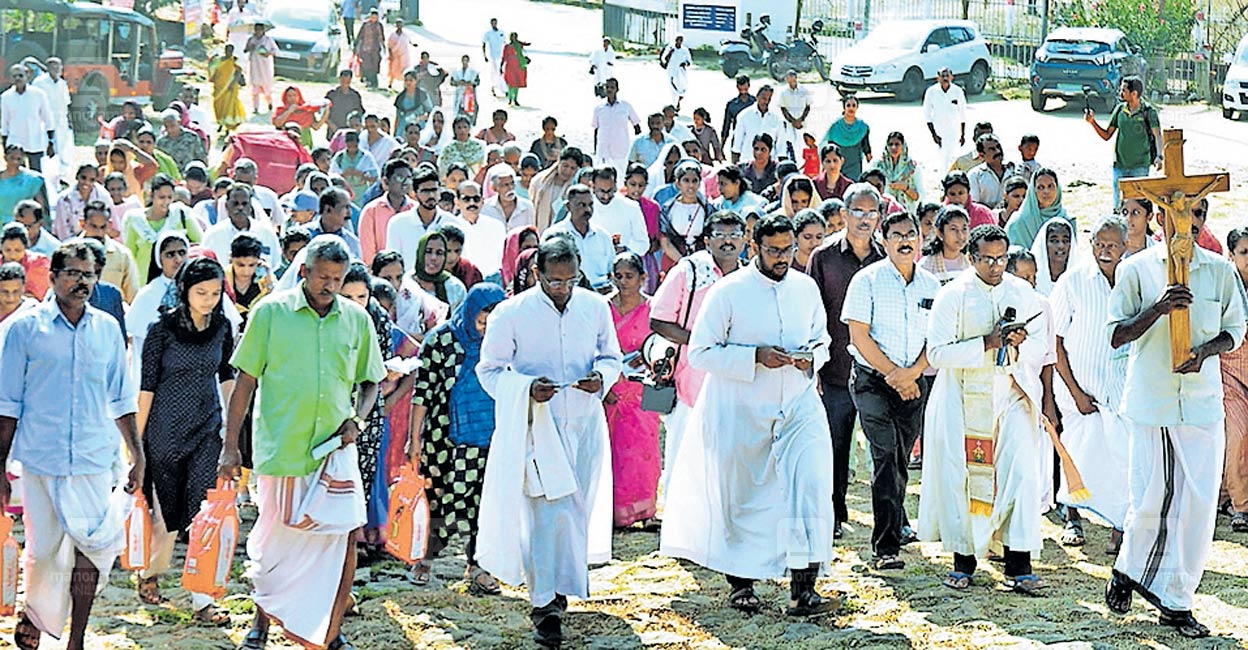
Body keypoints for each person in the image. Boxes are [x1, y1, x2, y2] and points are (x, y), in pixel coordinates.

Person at [662, 213, 837, 616]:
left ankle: (803, 587)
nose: (782, 258)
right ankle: (741, 584)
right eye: (774, 250)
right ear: (754, 247)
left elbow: (822, 340)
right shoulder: (727, 292)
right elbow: (702, 351)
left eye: (788, 250)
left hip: (797, 405)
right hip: (740, 409)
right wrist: (754, 357)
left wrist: (809, 358)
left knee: (808, 486)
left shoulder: (805, 288)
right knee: (742, 495)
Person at [220, 236, 384, 650]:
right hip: (282, 450)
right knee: (277, 546)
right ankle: (261, 623)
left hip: (336, 454)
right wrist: (229, 445)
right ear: (304, 271)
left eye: (337, 278)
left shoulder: (356, 320)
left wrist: (357, 420)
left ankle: (330, 629)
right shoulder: (271, 313)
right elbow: (245, 382)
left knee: (341, 539)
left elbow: (370, 383)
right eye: (323, 276)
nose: (329, 285)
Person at [1103, 206, 1246, 639]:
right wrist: (1158, 309)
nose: (1188, 220)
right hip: (1153, 400)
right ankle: (1129, 570)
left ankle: (1177, 601)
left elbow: (1235, 329)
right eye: (1177, 212)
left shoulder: (1220, 271)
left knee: (1199, 504)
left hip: (1203, 403)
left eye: (1197, 212)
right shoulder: (1136, 269)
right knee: (1151, 498)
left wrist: (1204, 353)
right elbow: (1116, 334)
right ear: (1159, 219)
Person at [0, 240, 142, 650]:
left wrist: (137, 453)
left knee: (93, 550)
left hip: (95, 458)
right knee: (44, 555)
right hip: (42, 460)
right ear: (54, 276)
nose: (82, 282)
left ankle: (76, 638)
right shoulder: (25, 329)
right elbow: (7, 403)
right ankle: (37, 613)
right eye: (74, 273)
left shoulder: (107, 328)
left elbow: (121, 397)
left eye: (89, 275)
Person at [921, 224, 1050, 595]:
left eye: (1001, 258)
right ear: (971, 258)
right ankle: (964, 560)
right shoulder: (953, 295)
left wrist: (1020, 344)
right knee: (965, 477)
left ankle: (1019, 562)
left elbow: (1040, 344)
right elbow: (937, 353)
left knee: (1020, 473)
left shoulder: (1022, 292)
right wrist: (987, 343)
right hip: (964, 397)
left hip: (1011, 393)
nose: (996, 266)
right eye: (987, 259)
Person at [133, 256, 232, 623]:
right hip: (164, 430)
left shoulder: (222, 327)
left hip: (207, 427)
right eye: (201, 292)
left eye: (215, 293)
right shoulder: (162, 330)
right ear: (185, 291)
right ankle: (149, 572)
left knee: (201, 513)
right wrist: (136, 444)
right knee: (166, 514)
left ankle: (202, 599)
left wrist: (231, 430)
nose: (209, 299)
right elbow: (146, 387)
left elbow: (227, 376)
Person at [843, 206, 939, 570]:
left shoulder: (932, 285)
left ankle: (896, 525)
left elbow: (938, 338)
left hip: (915, 384)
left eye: (910, 235)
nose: (904, 241)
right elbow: (858, 335)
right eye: (896, 235)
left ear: (920, 239)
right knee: (884, 457)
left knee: (900, 459)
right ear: (883, 241)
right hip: (872, 382)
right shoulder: (866, 280)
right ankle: (885, 548)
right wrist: (893, 375)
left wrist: (912, 373)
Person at [402, 280, 507, 590]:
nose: (485, 328)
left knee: (483, 502)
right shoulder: (441, 340)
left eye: (492, 322)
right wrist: (414, 438)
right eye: (481, 320)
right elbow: (422, 393)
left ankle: (477, 566)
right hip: (443, 438)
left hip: (488, 436)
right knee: (437, 498)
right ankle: (426, 559)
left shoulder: (503, 342)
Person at [1049, 216, 1131, 554]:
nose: (1105, 250)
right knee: (1077, 454)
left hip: (1120, 389)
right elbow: (1053, 342)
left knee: (1122, 460)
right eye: (1099, 243)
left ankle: (1119, 528)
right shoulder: (1073, 282)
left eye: (1113, 245)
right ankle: (1073, 517)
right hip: (1077, 389)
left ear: (1126, 246)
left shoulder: (1132, 279)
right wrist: (1075, 392)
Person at [809, 184, 886, 538]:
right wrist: (816, 365)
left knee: (882, 448)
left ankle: (890, 520)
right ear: (843, 214)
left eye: (872, 212)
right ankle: (834, 514)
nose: (864, 219)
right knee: (835, 446)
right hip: (835, 368)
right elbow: (813, 312)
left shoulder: (885, 255)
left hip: (876, 370)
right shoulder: (823, 257)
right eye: (858, 211)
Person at [599, 252, 659, 528]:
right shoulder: (602, 309)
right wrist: (606, 383)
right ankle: (614, 512)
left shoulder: (655, 310)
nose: (623, 282)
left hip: (644, 388)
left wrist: (648, 360)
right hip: (609, 389)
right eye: (618, 276)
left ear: (643, 278)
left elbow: (665, 348)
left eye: (629, 276)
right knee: (612, 450)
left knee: (646, 448)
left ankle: (646, 511)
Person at [1085, 75, 1162, 208]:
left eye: (1123, 90)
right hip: (1120, 165)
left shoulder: (1149, 112)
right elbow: (1107, 135)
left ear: (1134, 94)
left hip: (1140, 166)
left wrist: (1159, 156)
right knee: (1118, 204)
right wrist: (1093, 122)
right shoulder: (1120, 110)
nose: (1120, 93)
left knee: (1138, 203)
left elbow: (1157, 135)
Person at [388, 166, 466, 272]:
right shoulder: (398, 223)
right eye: (425, 191)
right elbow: (392, 263)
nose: (431, 195)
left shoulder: (452, 223)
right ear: (414, 194)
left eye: (434, 190)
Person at [1222, 227, 1248, 533]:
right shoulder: (1224, 284)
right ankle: (1241, 506)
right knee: (1237, 435)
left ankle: (1227, 496)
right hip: (1228, 370)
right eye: (1244, 252)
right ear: (1231, 255)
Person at [545, 185, 616, 291]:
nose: (587, 209)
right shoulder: (555, 235)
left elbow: (612, 269)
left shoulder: (603, 236)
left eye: (590, 204)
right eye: (581, 205)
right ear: (568, 206)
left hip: (601, 295)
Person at [203, 183, 282, 267]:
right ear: (227, 206)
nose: (240, 207)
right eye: (235, 203)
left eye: (244, 204)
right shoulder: (213, 235)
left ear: (250, 207)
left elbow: (276, 265)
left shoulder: (267, 233)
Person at [79, 201, 140, 302]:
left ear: (109, 225)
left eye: (102, 227)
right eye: (93, 226)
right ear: (82, 224)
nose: (98, 232)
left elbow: (132, 296)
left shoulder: (122, 255)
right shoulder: (68, 252)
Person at [359, 159, 416, 265]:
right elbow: (368, 254)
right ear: (386, 182)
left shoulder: (415, 210)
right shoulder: (371, 211)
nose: (405, 183)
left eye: (408, 178)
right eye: (400, 178)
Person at [0, 64, 54, 172]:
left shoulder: (38, 94)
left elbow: (48, 118)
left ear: (27, 76)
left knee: (36, 174)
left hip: (35, 141)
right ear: (11, 78)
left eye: (20, 75)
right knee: (17, 173)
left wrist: (51, 142)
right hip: (15, 141)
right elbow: (5, 121)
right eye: (14, 76)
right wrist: (4, 143)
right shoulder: (6, 96)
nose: (18, 79)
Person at [1004, 168, 1067, 250]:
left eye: (1050, 186)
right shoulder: (1018, 222)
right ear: (1033, 191)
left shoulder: (1066, 219)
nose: (1046, 191)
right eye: (1040, 187)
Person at [32, 57, 71, 183]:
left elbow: (66, 103)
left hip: (61, 121)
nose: (56, 70)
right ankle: (44, 176)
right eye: (53, 67)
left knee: (62, 147)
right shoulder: (39, 82)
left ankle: (60, 176)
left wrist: (68, 121)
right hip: (44, 120)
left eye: (58, 67)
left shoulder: (62, 83)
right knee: (45, 147)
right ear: (47, 68)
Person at [591, 79, 642, 175]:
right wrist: (596, 149)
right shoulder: (599, 108)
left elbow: (636, 126)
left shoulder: (625, 106)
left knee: (620, 176)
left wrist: (637, 148)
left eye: (612, 87)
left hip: (621, 149)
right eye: (607, 87)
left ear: (617, 89)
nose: (609, 90)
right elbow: (596, 129)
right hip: (603, 149)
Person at [922, 67, 967, 172]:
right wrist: (933, 134)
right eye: (943, 76)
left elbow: (963, 113)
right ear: (938, 78)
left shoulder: (957, 91)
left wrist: (963, 134)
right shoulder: (931, 92)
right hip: (938, 130)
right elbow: (927, 114)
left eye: (947, 76)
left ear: (952, 77)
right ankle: (941, 180)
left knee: (952, 157)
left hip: (954, 130)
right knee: (941, 158)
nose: (945, 78)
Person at [730, 85, 783, 165]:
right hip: (748, 161)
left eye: (769, 99)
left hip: (769, 163)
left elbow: (781, 144)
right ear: (757, 96)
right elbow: (737, 142)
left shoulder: (776, 118)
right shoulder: (744, 115)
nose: (766, 102)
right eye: (763, 98)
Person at [823, 94, 871, 181]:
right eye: (848, 105)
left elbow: (865, 142)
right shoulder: (836, 126)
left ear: (857, 108)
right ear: (844, 107)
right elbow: (830, 144)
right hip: (838, 160)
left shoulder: (862, 126)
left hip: (855, 160)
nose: (851, 108)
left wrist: (868, 154)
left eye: (853, 105)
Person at [920, 205, 971, 285]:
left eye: (964, 229)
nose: (960, 235)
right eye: (953, 229)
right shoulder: (926, 265)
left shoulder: (971, 262)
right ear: (940, 233)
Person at [873, 131, 922, 213]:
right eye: (890, 144)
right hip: (883, 210)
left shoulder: (912, 167)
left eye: (897, 144)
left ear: (903, 146)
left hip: (906, 211)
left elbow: (919, 196)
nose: (893, 147)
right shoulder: (878, 166)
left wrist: (905, 188)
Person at [308, 188, 363, 259]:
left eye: (349, 208)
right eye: (345, 207)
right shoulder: (306, 234)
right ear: (328, 209)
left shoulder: (352, 242)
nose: (349, 213)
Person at [1, 223, 50, 299]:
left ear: (26, 247)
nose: (12, 255)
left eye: (18, 250)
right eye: (7, 250)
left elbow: (39, 297)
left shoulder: (39, 264)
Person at [0, 145, 48, 223]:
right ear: (5, 157)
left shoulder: (32, 179)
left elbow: (40, 205)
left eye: (18, 159)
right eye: (12, 158)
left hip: (23, 222)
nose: (15, 162)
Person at [967, 134, 1014, 209]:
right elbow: (974, 206)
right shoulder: (975, 175)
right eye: (992, 149)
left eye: (998, 147)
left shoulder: (1013, 171)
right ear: (982, 155)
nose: (998, 151)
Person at [209, 45, 247, 135]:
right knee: (218, 105)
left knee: (229, 106)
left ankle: (228, 127)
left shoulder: (234, 61)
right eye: (227, 50)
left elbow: (238, 73)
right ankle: (221, 123)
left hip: (230, 87)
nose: (228, 52)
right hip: (219, 86)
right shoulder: (218, 60)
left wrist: (233, 83)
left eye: (230, 50)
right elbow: (212, 72)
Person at [775, 70, 810, 161]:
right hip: (789, 123)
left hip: (802, 122)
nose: (791, 83)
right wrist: (792, 121)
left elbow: (808, 106)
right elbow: (783, 108)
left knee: (803, 143)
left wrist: (801, 120)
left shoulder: (804, 91)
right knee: (790, 143)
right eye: (789, 81)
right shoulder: (783, 92)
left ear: (796, 78)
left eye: (793, 80)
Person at [243, 24, 277, 114]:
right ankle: (255, 107)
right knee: (254, 88)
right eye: (256, 30)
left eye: (260, 30)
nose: (258, 32)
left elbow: (275, 51)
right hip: (254, 65)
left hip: (264, 66)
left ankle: (269, 103)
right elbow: (245, 50)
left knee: (266, 87)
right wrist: (250, 47)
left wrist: (267, 53)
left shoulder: (268, 40)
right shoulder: (251, 39)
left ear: (263, 30)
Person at [721, 75, 755, 155]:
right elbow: (726, 126)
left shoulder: (755, 103)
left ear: (749, 86)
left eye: (745, 89)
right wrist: (721, 147)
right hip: (737, 138)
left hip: (753, 138)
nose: (743, 91)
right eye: (741, 89)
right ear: (737, 87)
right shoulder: (732, 105)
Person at [325, 70, 366, 137]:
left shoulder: (355, 96)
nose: (345, 83)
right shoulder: (332, 95)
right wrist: (332, 125)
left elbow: (360, 113)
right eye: (343, 81)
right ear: (339, 79)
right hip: (333, 130)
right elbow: (324, 112)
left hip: (350, 131)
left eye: (347, 81)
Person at [355, 9, 386, 89]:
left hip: (375, 49)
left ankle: (374, 82)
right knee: (366, 65)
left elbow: (382, 38)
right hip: (365, 48)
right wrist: (356, 46)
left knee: (375, 66)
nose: (374, 19)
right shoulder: (365, 24)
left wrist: (383, 47)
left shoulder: (379, 25)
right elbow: (360, 36)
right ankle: (368, 80)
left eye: (376, 17)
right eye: (373, 17)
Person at [661, 34, 691, 111]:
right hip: (671, 71)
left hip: (681, 72)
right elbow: (664, 59)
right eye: (677, 39)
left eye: (680, 40)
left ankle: (678, 100)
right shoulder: (670, 48)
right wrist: (670, 52)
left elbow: (689, 61)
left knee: (682, 88)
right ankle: (675, 105)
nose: (679, 41)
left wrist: (685, 64)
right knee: (673, 89)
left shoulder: (685, 50)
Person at [791, 208, 826, 274]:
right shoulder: (786, 262)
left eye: (819, 237)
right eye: (808, 237)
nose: (814, 242)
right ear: (795, 237)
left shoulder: (829, 263)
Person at [449, 55, 481, 126]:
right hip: (459, 94)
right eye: (463, 60)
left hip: (470, 95)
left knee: (471, 110)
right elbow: (451, 82)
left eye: (466, 61)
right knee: (459, 110)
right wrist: (458, 83)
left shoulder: (473, 72)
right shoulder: (457, 72)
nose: (465, 62)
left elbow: (477, 82)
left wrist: (470, 83)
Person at [501, 32, 530, 107]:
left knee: (517, 83)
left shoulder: (519, 45)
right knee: (510, 83)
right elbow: (504, 57)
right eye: (512, 37)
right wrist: (501, 67)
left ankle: (515, 99)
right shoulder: (507, 47)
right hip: (510, 66)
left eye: (515, 37)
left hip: (518, 66)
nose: (513, 38)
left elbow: (524, 51)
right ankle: (510, 99)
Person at [481, 18, 507, 97]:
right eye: (493, 23)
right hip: (492, 56)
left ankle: (504, 89)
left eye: (495, 23)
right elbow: (484, 44)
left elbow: (505, 43)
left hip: (501, 56)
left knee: (501, 72)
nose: (494, 24)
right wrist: (484, 55)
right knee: (493, 73)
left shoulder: (501, 32)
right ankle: (493, 88)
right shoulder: (488, 33)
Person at [387, 19, 413, 91]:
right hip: (395, 55)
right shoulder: (392, 35)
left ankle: (405, 85)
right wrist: (390, 55)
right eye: (398, 24)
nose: (399, 26)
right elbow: (389, 46)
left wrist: (413, 44)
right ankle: (390, 83)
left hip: (404, 55)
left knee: (405, 70)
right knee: (393, 70)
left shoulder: (405, 34)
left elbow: (409, 41)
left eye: (401, 24)